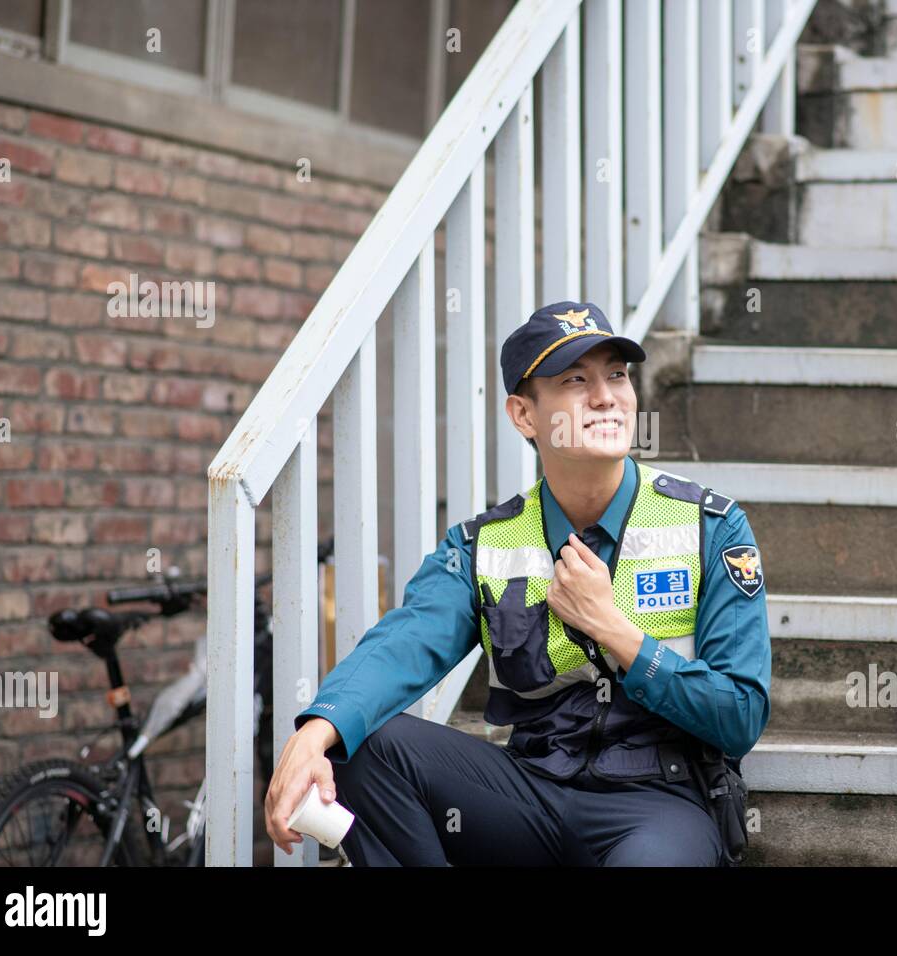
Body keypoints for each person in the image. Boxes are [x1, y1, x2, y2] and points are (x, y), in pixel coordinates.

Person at [264, 300, 771, 866]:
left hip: (659, 804)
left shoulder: (709, 525)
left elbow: (740, 716)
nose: (605, 397)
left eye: (617, 376)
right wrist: (315, 731)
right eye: (576, 380)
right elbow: (404, 643)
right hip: (528, 793)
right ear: (524, 415)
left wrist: (616, 632)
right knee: (362, 748)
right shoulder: (484, 543)